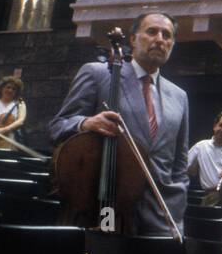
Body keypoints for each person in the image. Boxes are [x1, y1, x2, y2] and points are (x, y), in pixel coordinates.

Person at [48, 12, 189, 235]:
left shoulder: (179, 96)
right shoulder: (97, 74)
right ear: (133, 39)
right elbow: (58, 126)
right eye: (151, 31)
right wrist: (86, 123)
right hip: (104, 203)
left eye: (167, 35)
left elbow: (180, 162)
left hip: (162, 214)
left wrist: (178, 195)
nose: (160, 39)